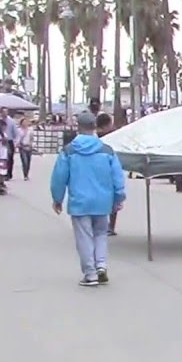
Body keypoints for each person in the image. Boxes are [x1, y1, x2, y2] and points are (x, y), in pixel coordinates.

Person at [49, 112, 127, 287]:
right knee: (101, 234)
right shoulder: (107, 150)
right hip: (102, 201)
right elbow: (117, 176)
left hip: (80, 202)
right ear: (94, 128)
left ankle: (90, 273)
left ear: (78, 127)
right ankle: (101, 265)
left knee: (84, 237)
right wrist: (119, 196)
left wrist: (57, 198)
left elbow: (59, 177)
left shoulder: (69, 151)